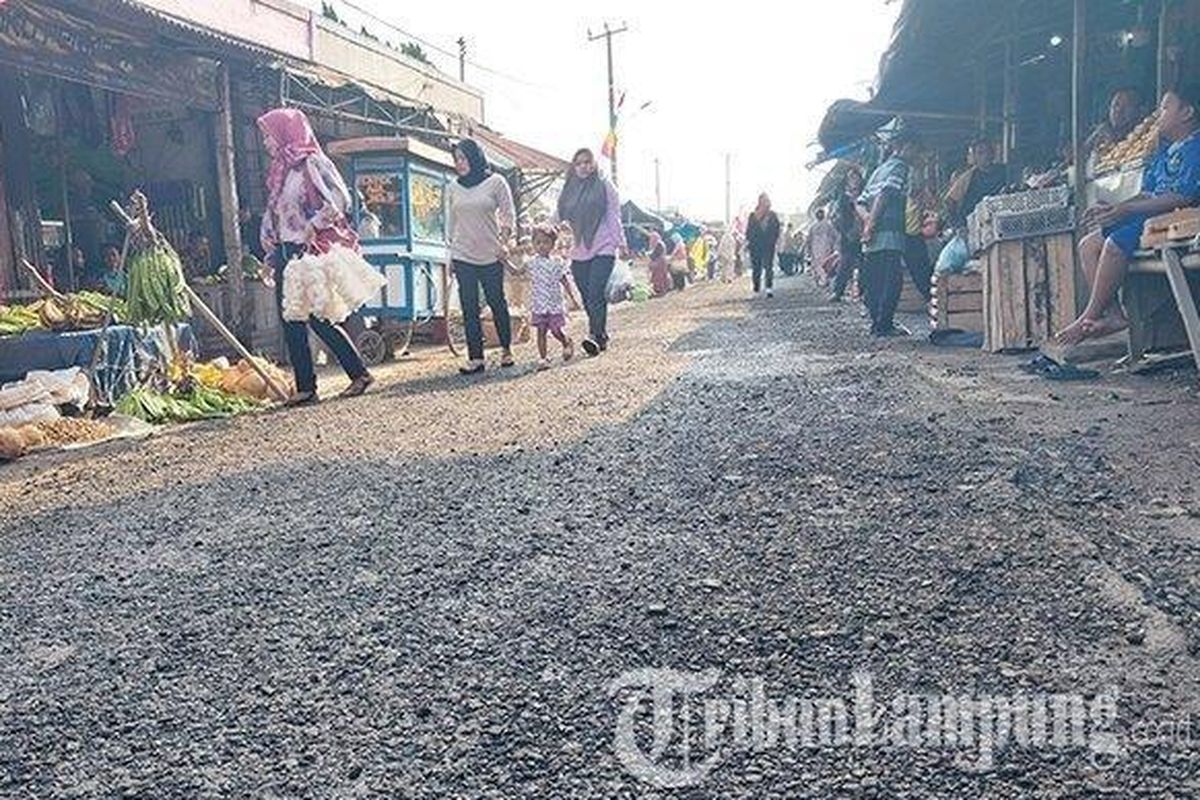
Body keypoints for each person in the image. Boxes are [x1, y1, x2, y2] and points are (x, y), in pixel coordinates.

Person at [1057, 84, 1200, 345]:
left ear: (1187, 112)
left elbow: (1184, 197)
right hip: (1153, 219)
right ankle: (1113, 314)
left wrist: (1126, 210)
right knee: (1088, 245)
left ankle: (1090, 313)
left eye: (1166, 107)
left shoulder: (1195, 147)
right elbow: (1147, 193)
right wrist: (1116, 208)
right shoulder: (1165, 151)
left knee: (1113, 245)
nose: (1159, 113)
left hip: (1180, 221)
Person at [257, 107, 374, 405]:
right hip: (285, 252)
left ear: (285, 133)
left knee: (318, 318)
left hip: (307, 251)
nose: (266, 143)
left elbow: (340, 199)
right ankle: (306, 387)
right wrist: (270, 250)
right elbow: (277, 214)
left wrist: (314, 225)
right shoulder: (280, 170)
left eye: (268, 136)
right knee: (291, 320)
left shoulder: (311, 163)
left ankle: (358, 373)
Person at [448, 138, 517, 375]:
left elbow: (508, 215)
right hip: (462, 253)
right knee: (469, 306)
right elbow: (451, 223)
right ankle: (475, 357)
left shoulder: (496, 182)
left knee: (496, 301)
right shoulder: (453, 187)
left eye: (464, 158)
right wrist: (450, 256)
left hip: (491, 253)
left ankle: (506, 348)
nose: (460, 163)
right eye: (456, 159)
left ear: (475, 158)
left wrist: (505, 242)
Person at [557, 147, 626, 356]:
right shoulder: (569, 188)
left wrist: (620, 242)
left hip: (603, 247)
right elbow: (559, 213)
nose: (583, 167)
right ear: (574, 166)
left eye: (587, 162)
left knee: (596, 293)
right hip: (579, 249)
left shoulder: (604, 185)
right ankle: (601, 334)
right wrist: (546, 226)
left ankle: (594, 335)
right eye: (578, 163)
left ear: (594, 164)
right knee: (587, 296)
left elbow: (614, 215)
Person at [859, 131, 919, 337]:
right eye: (914, 148)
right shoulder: (899, 167)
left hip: (872, 239)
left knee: (874, 280)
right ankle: (884, 325)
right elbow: (885, 194)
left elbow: (859, 202)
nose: (916, 152)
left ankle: (877, 323)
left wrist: (867, 220)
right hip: (889, 235)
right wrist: (872, 223)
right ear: (903, 147)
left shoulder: (878, 170)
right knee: (892, 280)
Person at [526, 226, 578, 370]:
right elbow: (516, 272)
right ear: (533, 244)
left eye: (545, 242)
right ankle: (543, 358)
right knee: (540, 331)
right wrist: (504, 261)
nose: (541, 246)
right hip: (539, 304)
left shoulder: (557, 262)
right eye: (538, 242)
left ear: (553, 244)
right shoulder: (531, 263)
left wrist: (572, 297)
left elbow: (564, 280)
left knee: (556, 330)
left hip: (554, 304)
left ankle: (566, 341)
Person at [943, 138, 1008, 228]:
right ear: (975, 157)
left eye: (988, 151)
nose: (985, 156)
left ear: (993, 154)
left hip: (1000, 222)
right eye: (980, 153)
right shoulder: (968, 177)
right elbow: (950, 200)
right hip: (974, 225)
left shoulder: (1004, 171)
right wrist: (957, 222)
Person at [830, 166, 865, 302]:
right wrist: (845, 231)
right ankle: (838, 291)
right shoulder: (843, 197)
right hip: (848, 235)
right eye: (851, 178)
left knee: (864, 265)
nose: (854, 180)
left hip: (864, 233)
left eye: (856, 178)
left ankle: (863, 292)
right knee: (845, 264)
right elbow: (839, 216)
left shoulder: (864, 193)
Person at [1086, 87, 1143, 161]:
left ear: (1139, 111)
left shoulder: (1141, 137)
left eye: (1126, 106)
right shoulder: (1102, 132)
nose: (1119, 110)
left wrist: (1113, 141)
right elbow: (1079, 154)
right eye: (1116, 105)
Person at [745, 193, 782, 297]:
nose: (766, 203)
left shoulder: (772, 215)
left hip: (768, 246)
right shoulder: (753, 215)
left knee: (768, 267)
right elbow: (749, 231)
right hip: (755, 246)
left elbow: (777, 229)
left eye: (767, 200)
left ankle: (769, 288)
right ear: (760, 201)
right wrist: (749, 242)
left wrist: (774, 241)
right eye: (764, 200)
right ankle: (756, 287)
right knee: (756, 268)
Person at [805, 208, 838, 286]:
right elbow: (835, 237)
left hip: (819, 249)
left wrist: (808, 250)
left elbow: (808, 240)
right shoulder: (828, 225)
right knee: (824, 264)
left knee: (819, 264)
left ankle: (822, 279)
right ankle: (823, 279)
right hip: (824, 248)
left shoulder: (813, 226)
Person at [647, 230, 672, 296]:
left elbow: (656, 254)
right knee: (660, 276)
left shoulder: (659, 244)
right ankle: (660, 290)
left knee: (659, 277)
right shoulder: (660, 243)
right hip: (661, 262)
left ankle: (660, 291)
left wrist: (650, 257)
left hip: (659, 262)